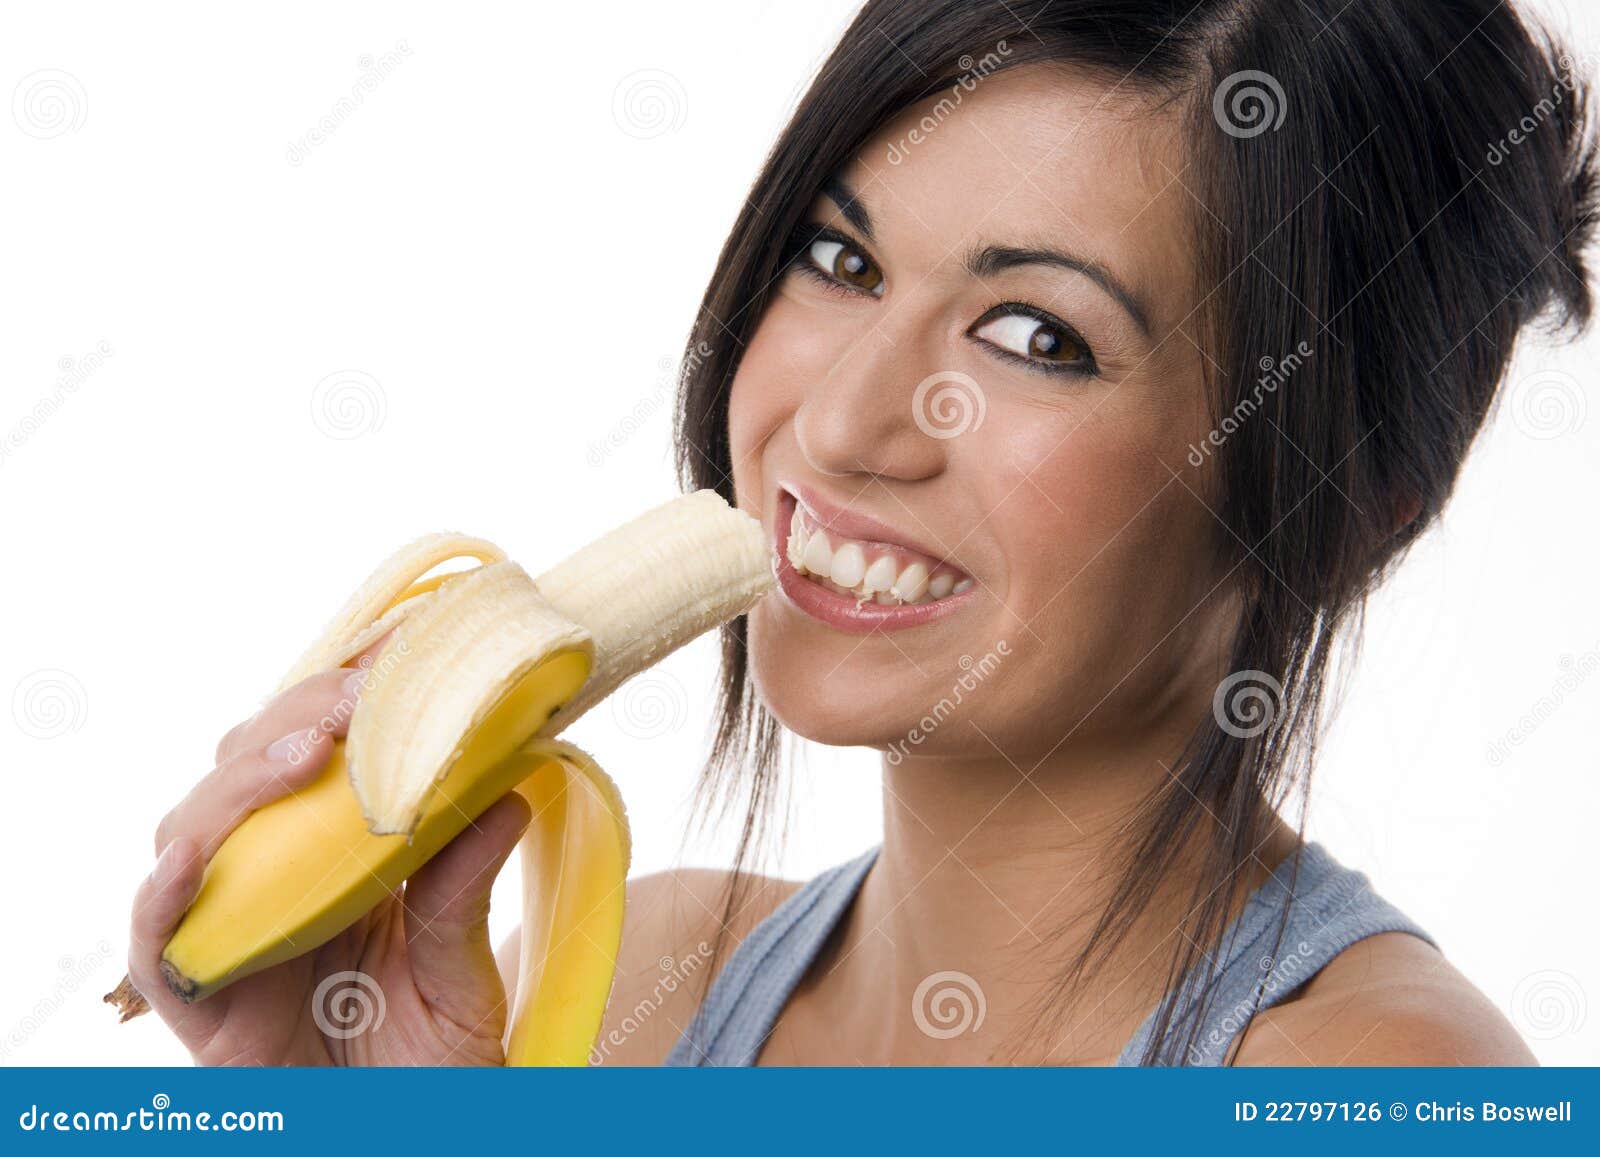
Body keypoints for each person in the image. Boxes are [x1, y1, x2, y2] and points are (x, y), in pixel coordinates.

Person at [129, 0, 1595, 1065]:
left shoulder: (1378, 1080)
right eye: (841, 257)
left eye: (1037, 336)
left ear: (1337, 509)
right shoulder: (643, 984)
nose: (838, 424)